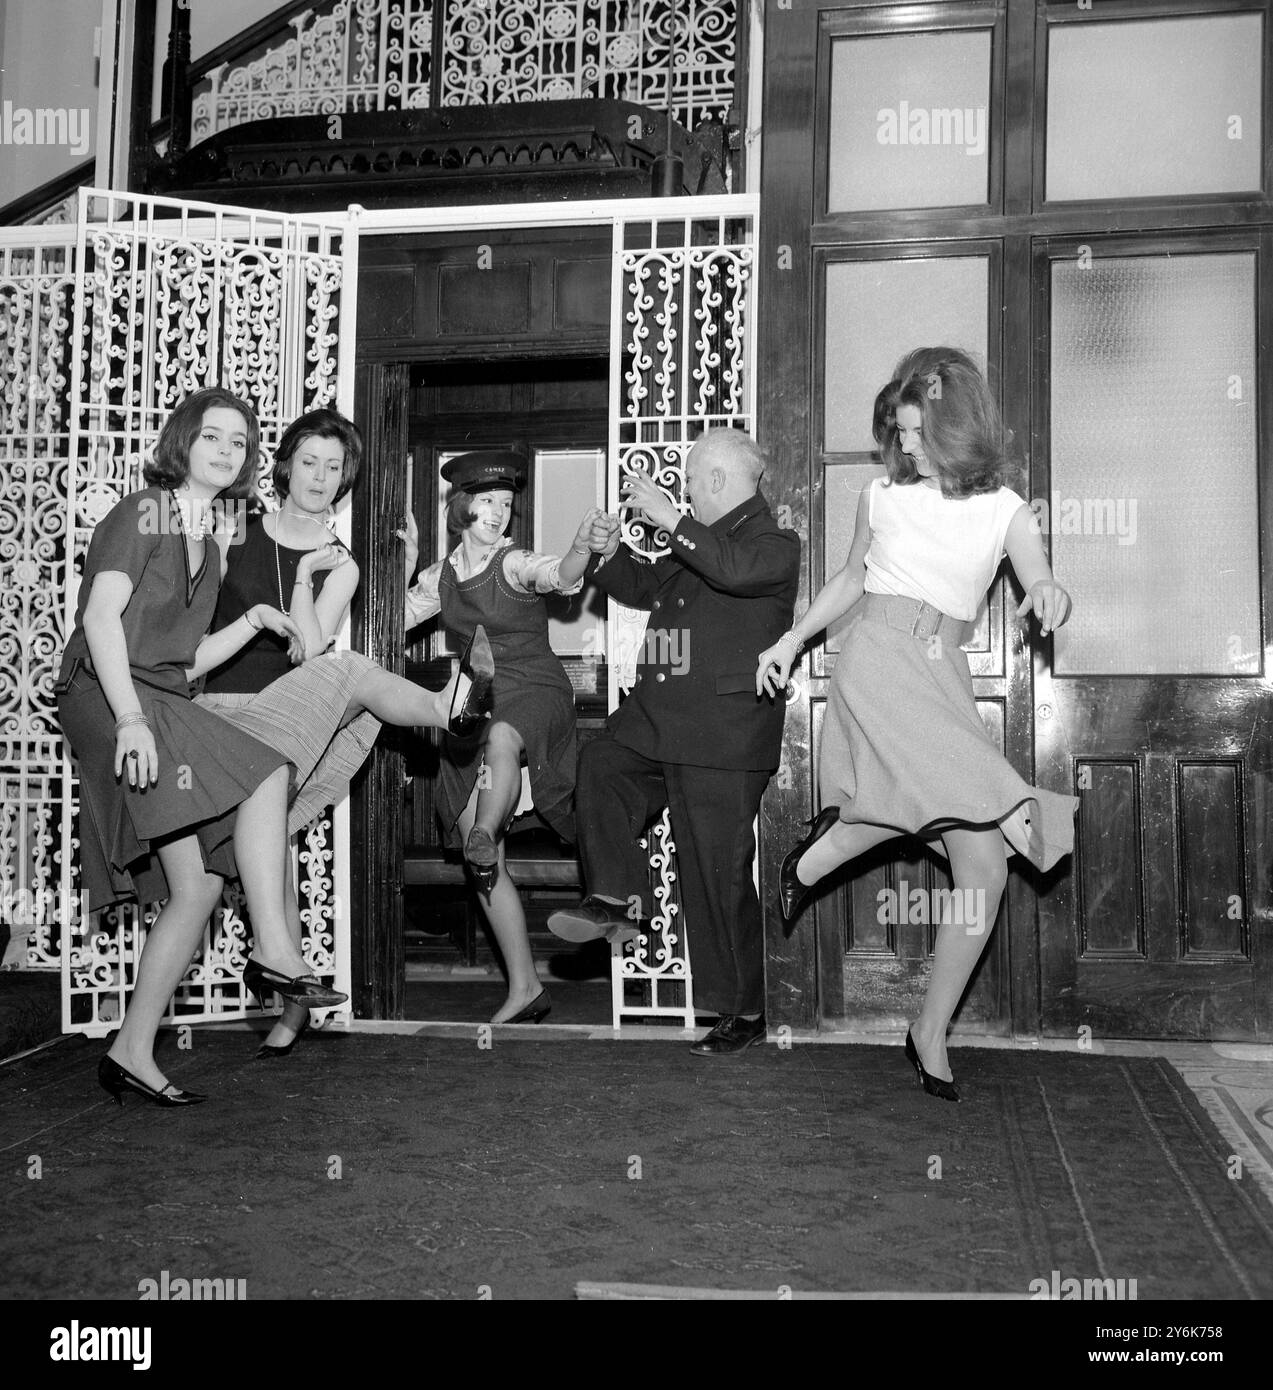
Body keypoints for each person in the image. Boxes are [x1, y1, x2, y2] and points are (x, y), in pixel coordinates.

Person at [757, 347, 1078, 1101]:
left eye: (912, 432)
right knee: (967, 817)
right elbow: (847, 581)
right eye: (897, 432)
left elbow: (1035, 568)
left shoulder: (1004, 508)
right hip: (879, 657)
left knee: (983, 867)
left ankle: (925, 1027)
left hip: (945, 673)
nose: (901, 446)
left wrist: (1049, 590)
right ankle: (818, 856)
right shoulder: (882, 498)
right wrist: (788, 640)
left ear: (952, 427)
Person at [54, 387, 347, 1109]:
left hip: (162, 693)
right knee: (264, 769)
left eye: (240, 442)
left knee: (199, 887)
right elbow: (99, 616)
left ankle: (129, 1052)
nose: (226, 451)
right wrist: (127, 717)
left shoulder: (207, 541)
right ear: (181, 442)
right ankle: (276, 953)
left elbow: (186, 663)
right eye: (213, 437)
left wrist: (249, 619)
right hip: (107, 692)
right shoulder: (144, 511)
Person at [196, 408, 494, 1057]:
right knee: (268, 850)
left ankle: (289, 1000)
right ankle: (445, 709)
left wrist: (310, 579)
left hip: (285, 709)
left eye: (333, 468)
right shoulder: (231, 537)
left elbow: (304, 650)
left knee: (340, 673)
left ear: (344, 480)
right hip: (221, 714)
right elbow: (194, 632)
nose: (319, 477)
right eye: (309, 462)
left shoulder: (345, 564)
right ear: (285, 465)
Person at [548, 428, 801, 1058]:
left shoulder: (774, 543)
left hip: (722, 738)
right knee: (602, 763)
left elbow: (733, 570)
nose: (685, 489)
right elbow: (643, 585)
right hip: (659, 723)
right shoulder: (699, 545)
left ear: (717, 479)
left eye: (691, 479)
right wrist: (608, 554)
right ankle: (613, 899)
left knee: (715, 878)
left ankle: (741, 1010)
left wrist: (672, 520)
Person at [405, 450, 607, 1025]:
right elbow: (388, 618)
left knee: (499, 741)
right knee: (483, 865)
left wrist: (581, 548)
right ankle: (525, 987)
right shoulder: (439, 576)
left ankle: (487, 831)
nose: (498, 514)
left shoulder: (513, 562)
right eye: (488, 503)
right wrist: (404, 565)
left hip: (535, 692)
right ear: (462, 506)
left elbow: (560, 576)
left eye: (507, 505)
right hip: (475, 701)